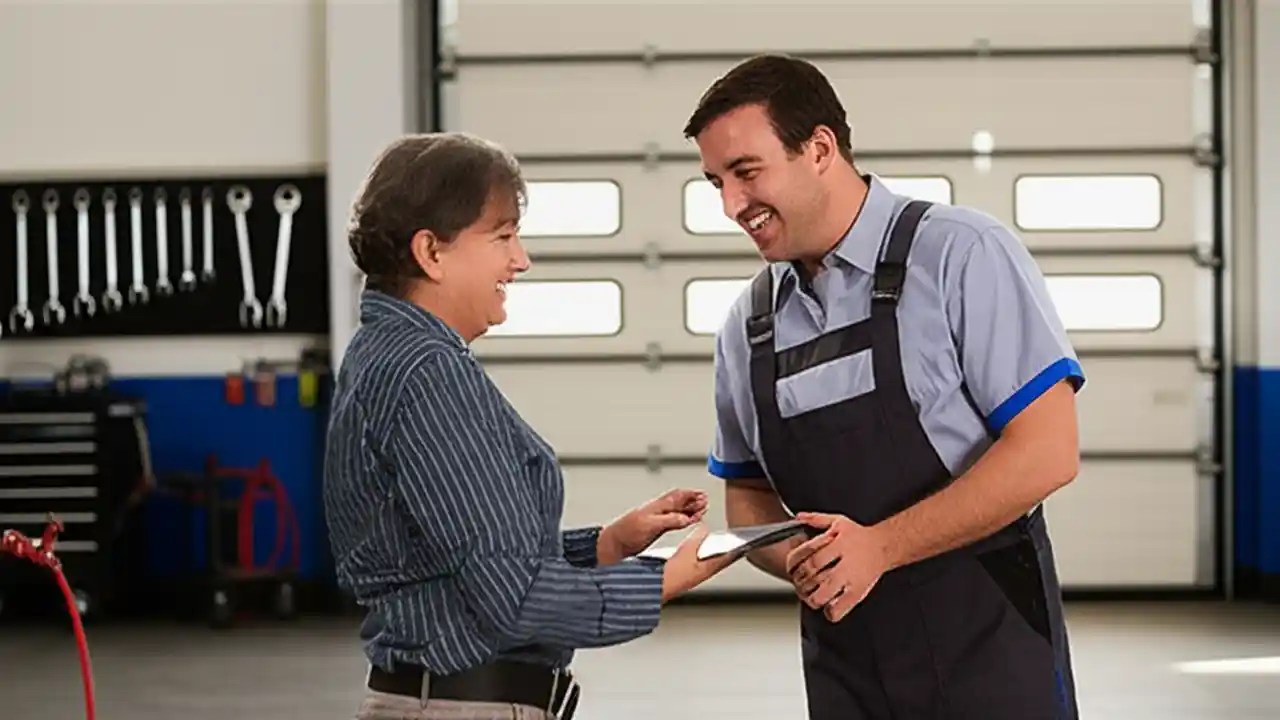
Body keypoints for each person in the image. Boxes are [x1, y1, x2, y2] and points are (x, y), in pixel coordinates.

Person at [685, 54, 1086, 719]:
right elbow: (748, 499)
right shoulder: (746, 328)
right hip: (848, 671)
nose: (731, 205)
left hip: (990, 650)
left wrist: (879, 548)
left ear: (820, 149)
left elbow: (1048, 452)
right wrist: (809, 560)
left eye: (746, 172)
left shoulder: (961, 255)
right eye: (715, 182)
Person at [322, 132, 739, 720]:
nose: (520, 260)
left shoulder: (386, 353)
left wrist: (608, 544)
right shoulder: (427, 373)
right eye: (503, 237)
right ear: (431, 252)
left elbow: (456, 561)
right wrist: (665, 579)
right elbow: (511, 597)